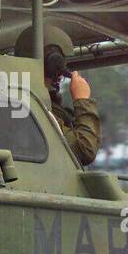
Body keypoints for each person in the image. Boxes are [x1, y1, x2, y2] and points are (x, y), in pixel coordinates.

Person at [14, 25, 99, 166]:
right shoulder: (36, 108)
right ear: (54, 62)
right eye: (62, 60)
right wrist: (82, 100)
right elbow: (85, 150)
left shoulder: (20, 100)